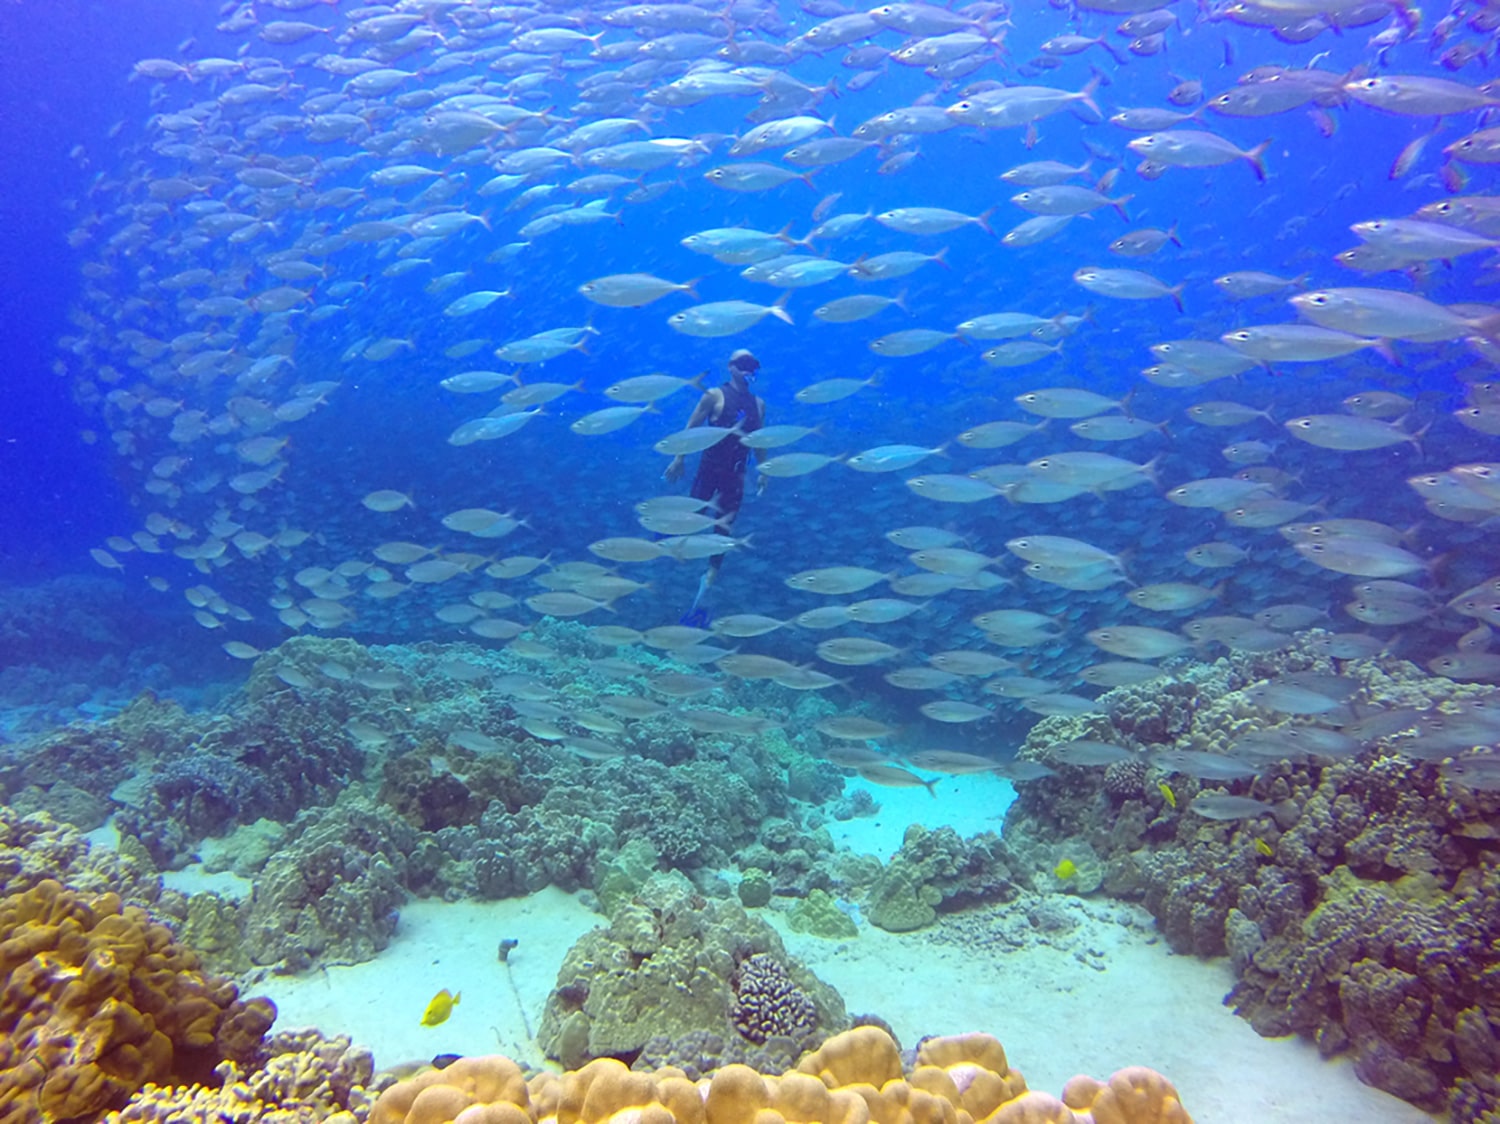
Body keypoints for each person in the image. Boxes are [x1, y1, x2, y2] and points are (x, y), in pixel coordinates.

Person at [663, 348, 767, 612]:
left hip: (737, 475)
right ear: (730, 367)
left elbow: (760, 441)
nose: (748, 370)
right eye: (743, 364)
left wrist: (765, 469)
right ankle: (672, 554)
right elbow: (691, 427)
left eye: (753, 365)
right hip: (709, 470)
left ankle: (707, 580)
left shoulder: (759, 404)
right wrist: (679, 458)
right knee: (692, 516)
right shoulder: (714, 395)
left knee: (724, 529)